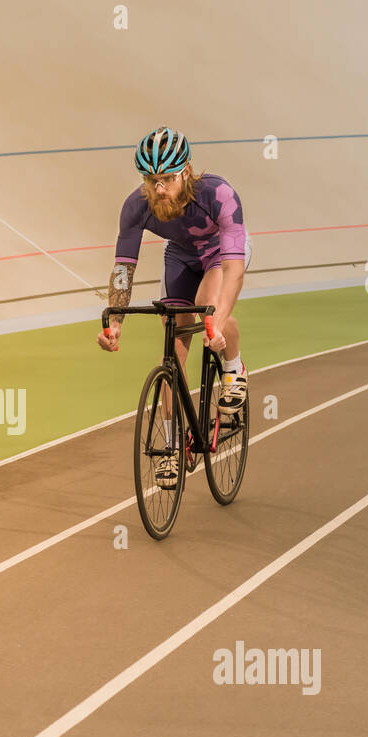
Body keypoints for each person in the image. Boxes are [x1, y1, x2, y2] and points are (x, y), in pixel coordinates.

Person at [96, 126, 251, 487]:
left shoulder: (218, 194)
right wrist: (115, 323)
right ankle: (172, 443)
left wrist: (218, 322)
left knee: (206, 307)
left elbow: (234, 271)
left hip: (220, 255)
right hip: (181, 258)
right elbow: (123, 267)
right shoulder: (137, 206)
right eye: (151, 180)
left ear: (186, 171)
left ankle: (233, 368)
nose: (159, 189)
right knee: (174, 342)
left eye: (166, 179)